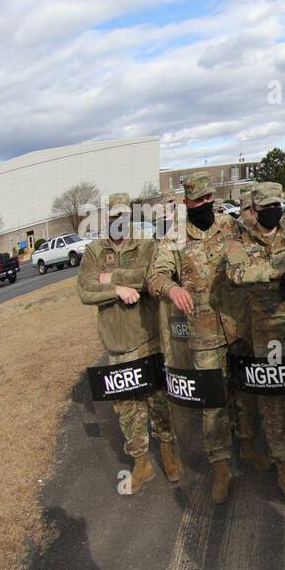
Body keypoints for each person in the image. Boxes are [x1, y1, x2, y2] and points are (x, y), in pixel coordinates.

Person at [147, 173, 256, 504]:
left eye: (210, 198)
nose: (207, 205)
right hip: (203, 334)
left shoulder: (231, 225)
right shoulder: (175, 237)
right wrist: (172, 287)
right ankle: (221, 466)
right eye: (199, 201)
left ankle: (250, 447)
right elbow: (155, 276)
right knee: (213, 404)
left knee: (246, 391)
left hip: (238, 325)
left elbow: (254, 256)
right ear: (187, 203)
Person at [78, 192, 180, 489]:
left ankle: (168, 450)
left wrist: (110, 277)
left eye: (123, 216)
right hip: (117, 345)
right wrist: (117, 290)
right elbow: (85, 290)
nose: (117, 222)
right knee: (126, 408)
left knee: (159, 400)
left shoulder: (147, 245)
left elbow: (151, 277)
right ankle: (141, 462)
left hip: (147, 339)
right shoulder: (95, 251)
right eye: (113, 217)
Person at [227, 181, 285, 503]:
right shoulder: (238, 241)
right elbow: (238, 272)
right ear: (253, 211)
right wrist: (280, 272)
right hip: (267, 332)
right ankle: (284, 467)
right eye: (266, 208)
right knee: (274, 405)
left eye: (278, 206)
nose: (274, 212)